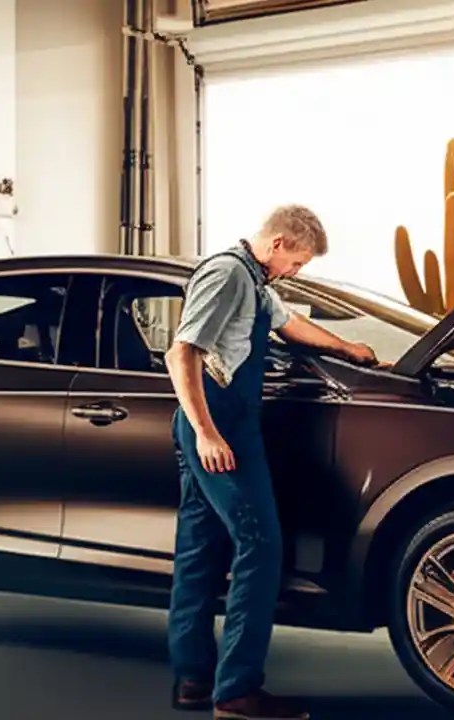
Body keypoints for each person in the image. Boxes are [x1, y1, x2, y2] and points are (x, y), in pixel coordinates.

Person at [164, 205, 376, 719]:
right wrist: (207, 433)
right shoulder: (227, 275)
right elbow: (181, 354)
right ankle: (236, 691)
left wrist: (350, 349)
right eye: (297, 263)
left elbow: (289, 324)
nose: (296, 272)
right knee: (261, 546)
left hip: (226, 420)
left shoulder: (254, 282)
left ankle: (192, 677)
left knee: (199, 548)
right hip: (217, 423)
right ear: (278, 243)